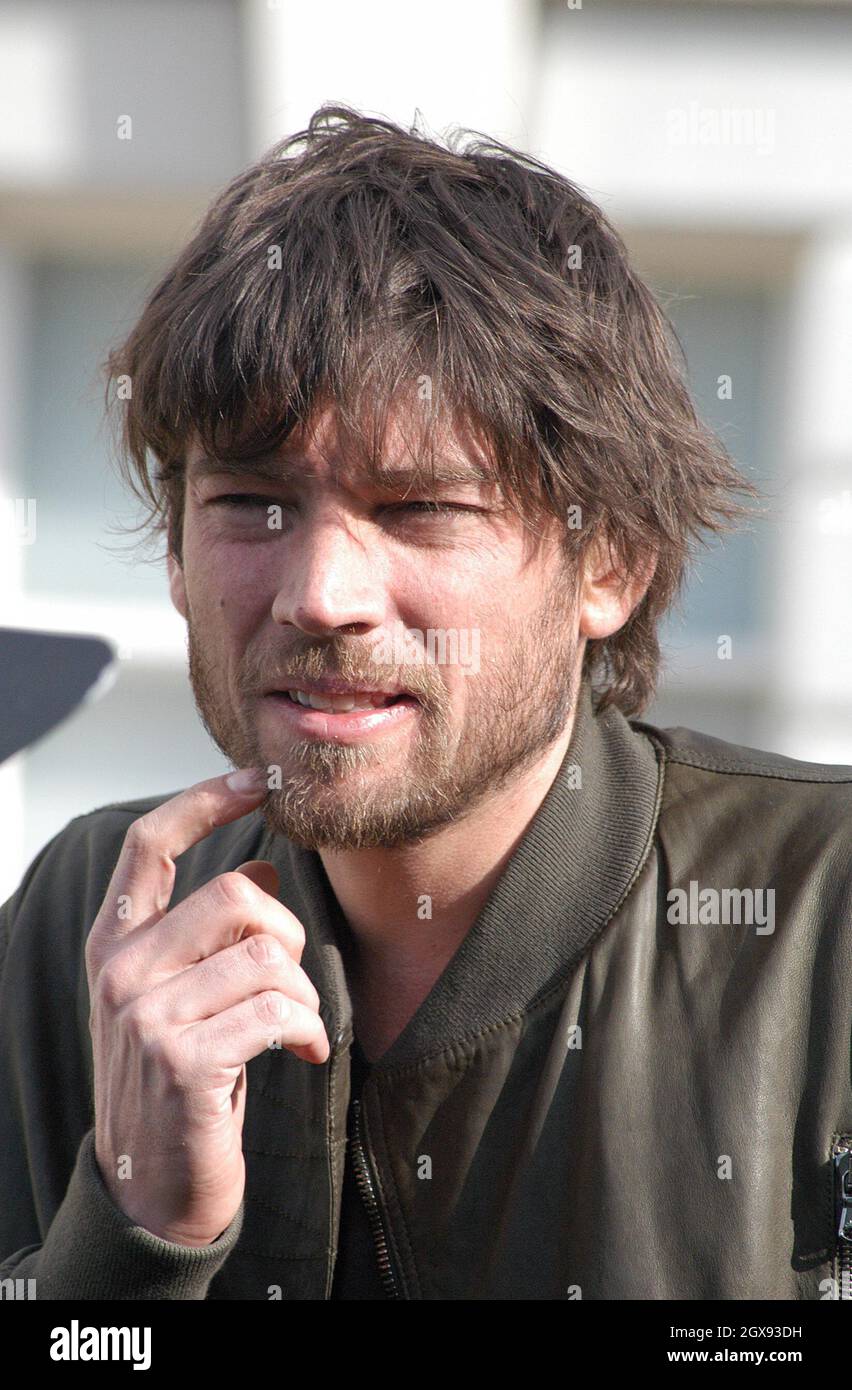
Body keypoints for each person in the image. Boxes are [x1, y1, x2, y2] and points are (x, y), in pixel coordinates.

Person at [1, 105, 850, 1302]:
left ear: (607, 562)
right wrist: (134, 1239)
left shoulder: (824, 918)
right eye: (252, 502)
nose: (321, 595)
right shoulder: (78, 930)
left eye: (420, 509)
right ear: (177, 556)